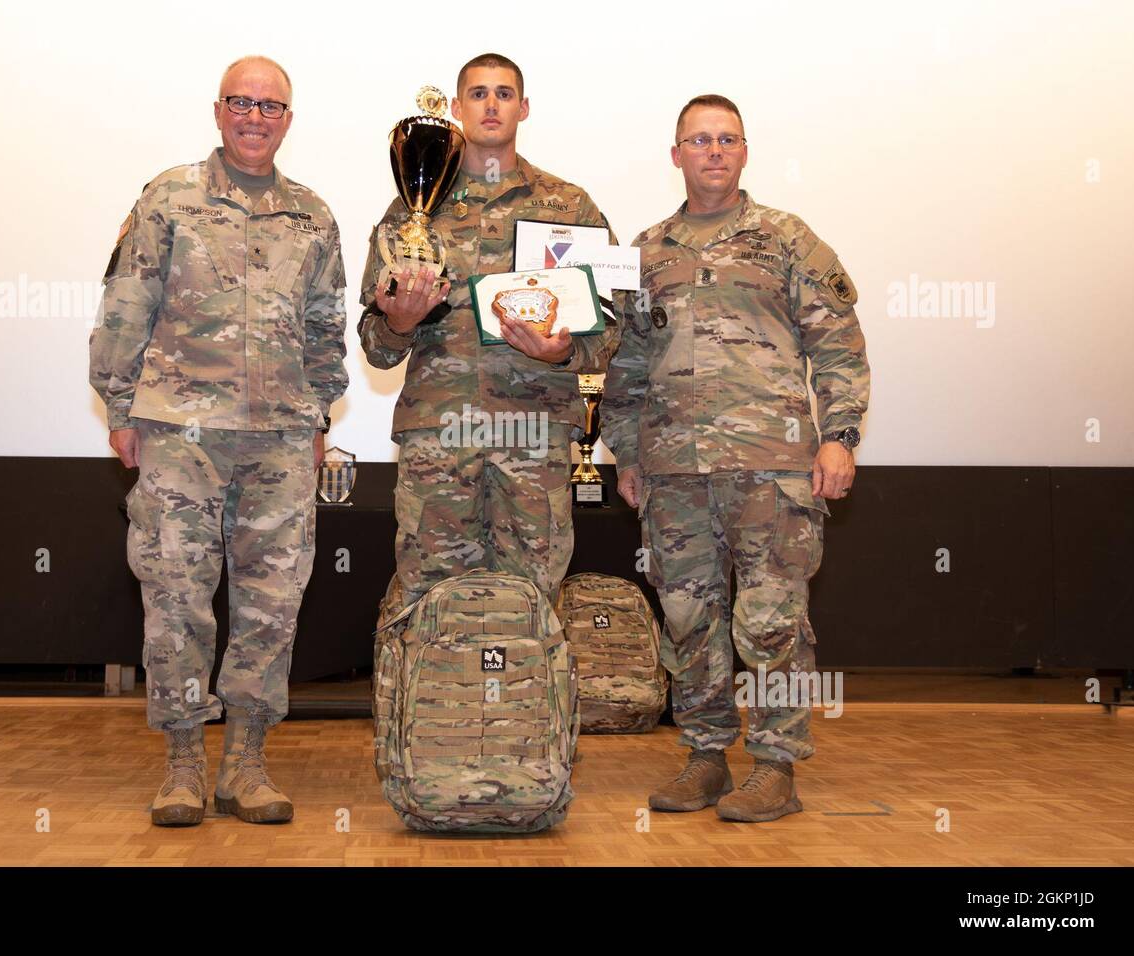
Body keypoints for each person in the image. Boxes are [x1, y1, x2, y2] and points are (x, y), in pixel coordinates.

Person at [88, 56, 347, 826]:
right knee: (176, 601)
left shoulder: (314, 216)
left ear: (288, 120)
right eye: (242, 102)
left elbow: (326, 329)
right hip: (180, 433)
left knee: (272, 606)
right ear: (218, 110)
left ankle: (247, 763)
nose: (255, 117)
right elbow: (126, 303)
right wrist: (119, 408)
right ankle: (181, 764)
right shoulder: (168, 197)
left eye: (271, 106)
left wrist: (320, 418)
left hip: (278, 439)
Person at [602, 94, 870, 822]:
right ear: (676, 154)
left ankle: (777, 766)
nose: (713, 151)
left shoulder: (786, 239)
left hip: (773, 468)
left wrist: (839, 437)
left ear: (744, 151)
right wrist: (627, 453)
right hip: (674, 472)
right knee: (689, 618)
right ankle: (705, 756)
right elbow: (625, 365)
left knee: (771, 620)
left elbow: (838, 342)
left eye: (726, 140)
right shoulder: (646, 250)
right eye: (698, 140)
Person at [359, 52, 619, 609]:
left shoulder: (569, 207)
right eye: (478, 94)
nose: (492, 104)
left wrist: (565, 347)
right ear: (456, 108)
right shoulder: (411, 212)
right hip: (439, 436)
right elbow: (376, 346)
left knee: (531, 598)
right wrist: (399, 322)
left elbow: (613, 326)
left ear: (524, 107)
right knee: (430, 599)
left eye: (504, 93)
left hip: (535, 435)